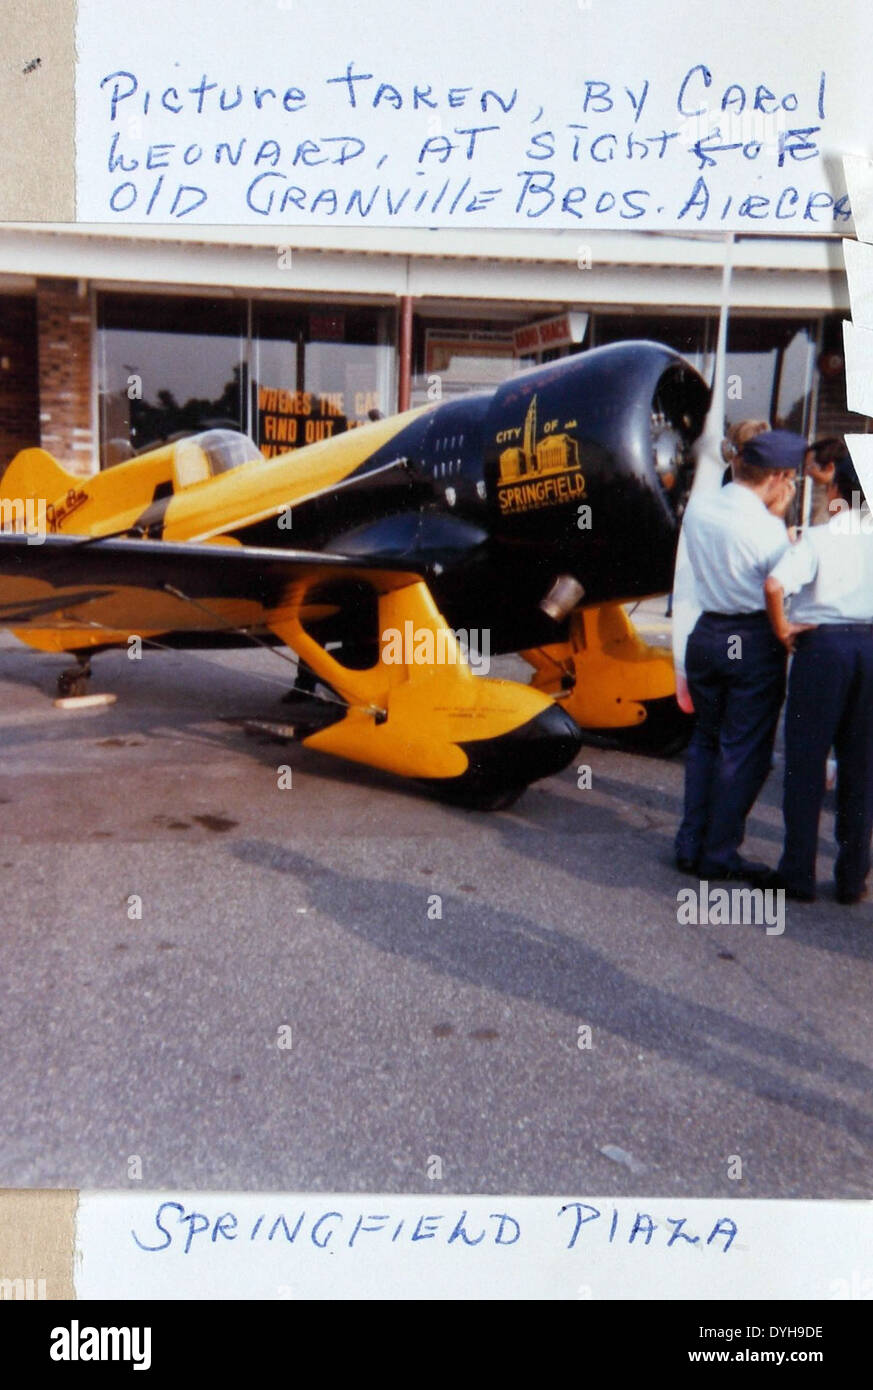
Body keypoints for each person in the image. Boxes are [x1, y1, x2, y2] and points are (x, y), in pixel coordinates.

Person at [674, 430, 806, 882]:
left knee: (706, 742)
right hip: (751, 639)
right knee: (743, 751)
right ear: (778, 477)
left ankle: (690, 843)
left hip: (707, 632)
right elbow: (784, 584)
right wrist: (780, 523)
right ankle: (720, 852)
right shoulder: (766, 530)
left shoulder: (701, 507)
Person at [764, 453, 873, 903]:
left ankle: (797, 872)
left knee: (806, 762)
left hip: (823, 649)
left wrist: (782, 630)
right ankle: (852, 878)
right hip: (869, 646)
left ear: (835, 493)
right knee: (862, 766)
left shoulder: (817, 538)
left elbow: (774, 585)